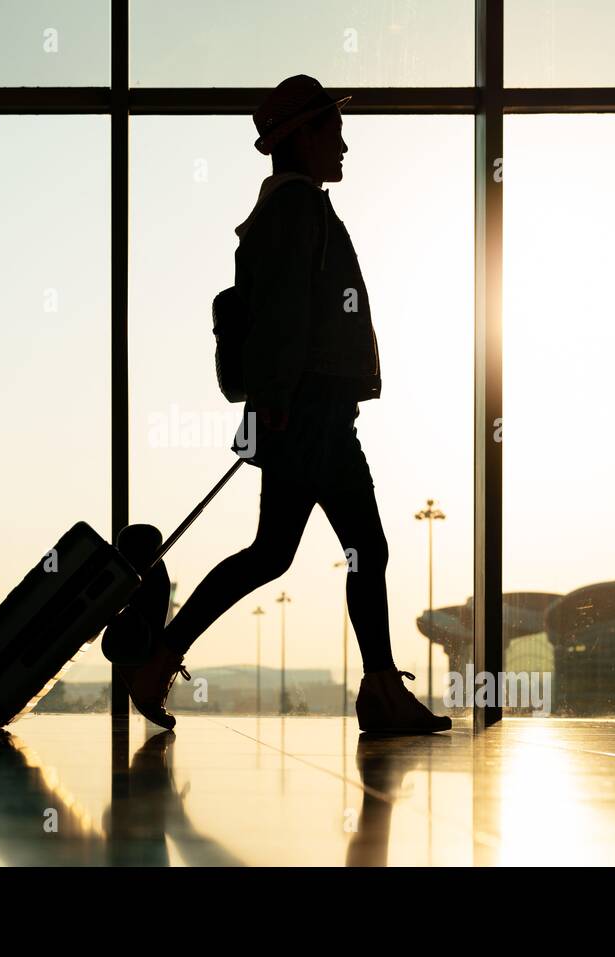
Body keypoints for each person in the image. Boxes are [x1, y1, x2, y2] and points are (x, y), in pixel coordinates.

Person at [117, 75, 451, 736]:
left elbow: (281, 316)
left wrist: (274, 405)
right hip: (312, 411)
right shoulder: (295, 210)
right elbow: (285, 317)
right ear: (298, 136)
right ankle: (379, 690)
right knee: (362, 547)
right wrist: (276, 404)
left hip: (309, 410)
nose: (344, 143)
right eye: (332, 128)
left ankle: (159, 656)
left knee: (277, 552)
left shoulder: (291, 209)